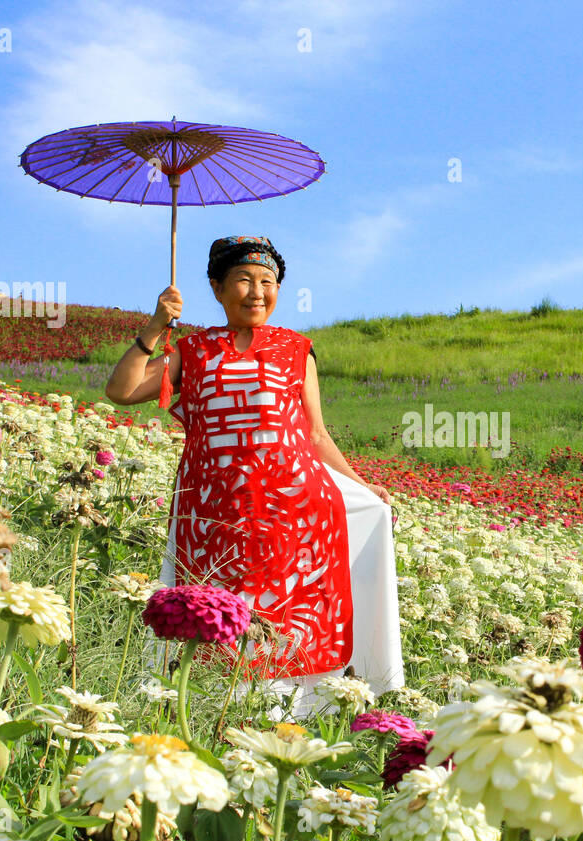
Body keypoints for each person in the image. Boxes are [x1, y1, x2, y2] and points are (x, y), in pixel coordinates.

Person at [103, 235, 405, 712]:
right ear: (217, 288)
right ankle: (209, 713)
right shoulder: (195, 350)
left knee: (291, 612)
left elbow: (317, 435)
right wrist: (156, 326)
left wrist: (364, 486)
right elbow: (121, 391)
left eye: (269, 281)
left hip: (295, 508)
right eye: (243, 280)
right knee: (214, 612)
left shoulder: (294, 349)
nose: (257, 291)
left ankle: (301, 712)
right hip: (212, 510)